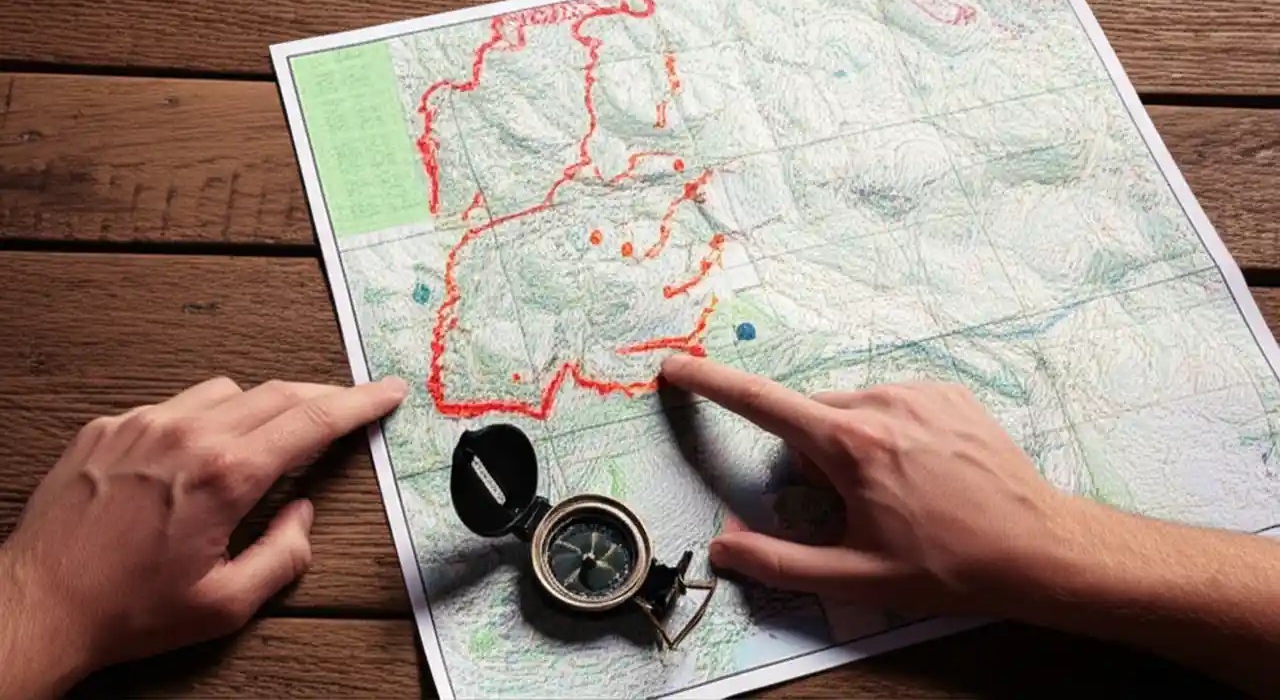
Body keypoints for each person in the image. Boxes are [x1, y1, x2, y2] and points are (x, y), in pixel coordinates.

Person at [0, 358, 1276, 699]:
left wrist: (40, 608)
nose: (584, 562)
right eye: (583, 563)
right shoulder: (582, 561)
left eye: (590, 561)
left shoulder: (580, 558)